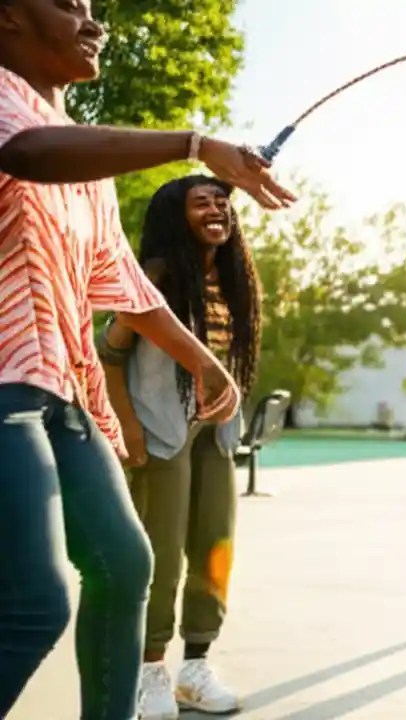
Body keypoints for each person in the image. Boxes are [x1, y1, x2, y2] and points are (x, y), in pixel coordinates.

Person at [0, 2, 291, 717]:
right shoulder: (24, 125)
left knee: (125, 565)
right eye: (70, 5)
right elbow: (26, 154)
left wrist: (204, 363)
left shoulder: (88, 161)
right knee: (34, 605)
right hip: (4, 390)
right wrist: (194, 142)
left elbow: (121, 280)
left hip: (63, 392)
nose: (92, 21)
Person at [98, 175, 261, 719]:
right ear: (175, 214)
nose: (217, 210)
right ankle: (148, 671)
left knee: (215, 548)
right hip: (162, 432)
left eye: (221, 202)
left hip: (215, 435)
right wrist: (129, 426)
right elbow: (110, 352)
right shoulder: (158, 276)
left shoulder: (236, 279)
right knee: (162, 555)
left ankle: (196, 665)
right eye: (201, 203)